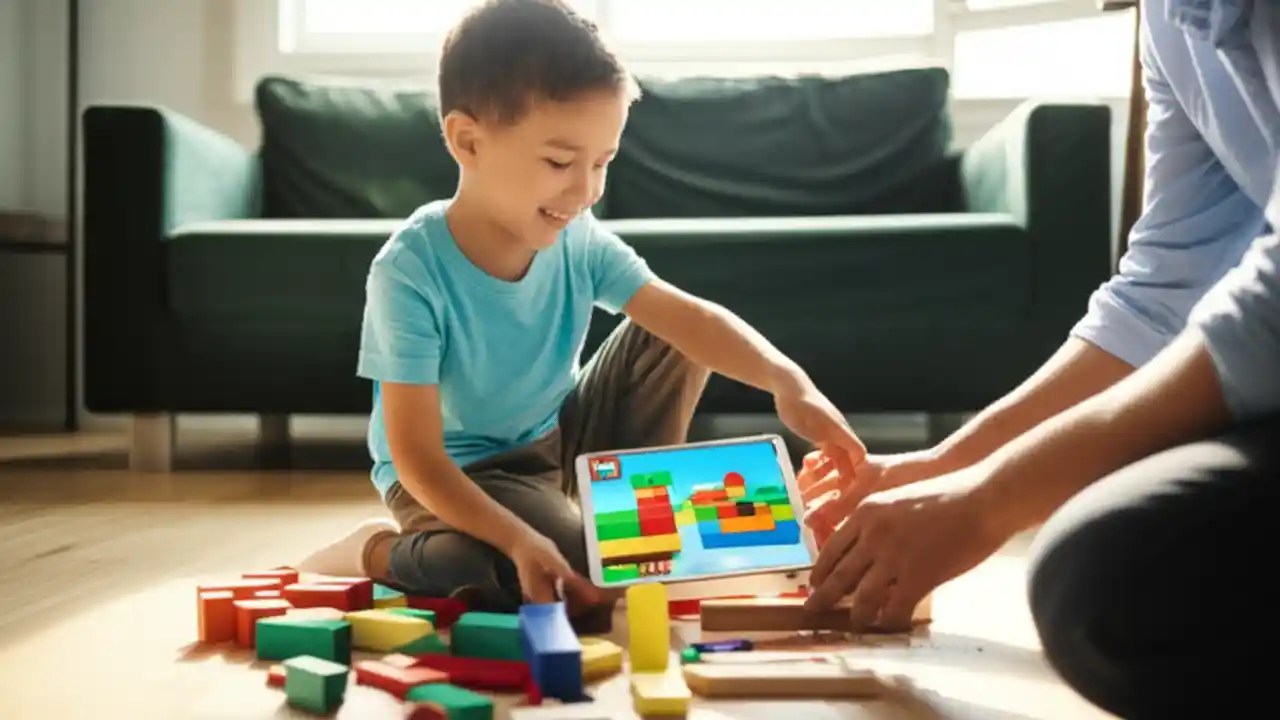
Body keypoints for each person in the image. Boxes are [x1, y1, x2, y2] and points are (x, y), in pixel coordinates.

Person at [297, 0, 865, 620]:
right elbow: (418, 459)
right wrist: (517, 537)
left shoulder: (579, 237)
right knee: (543, 577)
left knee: (672, 334)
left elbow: (690, 317)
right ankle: (375, 551)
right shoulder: (410, 269)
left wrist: (789, 381)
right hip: (455, 477)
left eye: (602, 163)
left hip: (557, 437)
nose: (587, 190)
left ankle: (625, 521)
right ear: (468, 141)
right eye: (561, 163)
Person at [799, 0, 1280, 715]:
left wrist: (990, 499)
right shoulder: (1173, 21)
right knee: (1109, 562)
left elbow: (1261, 315)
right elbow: (1161, 295)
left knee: (1106, 579)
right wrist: (948, 467)